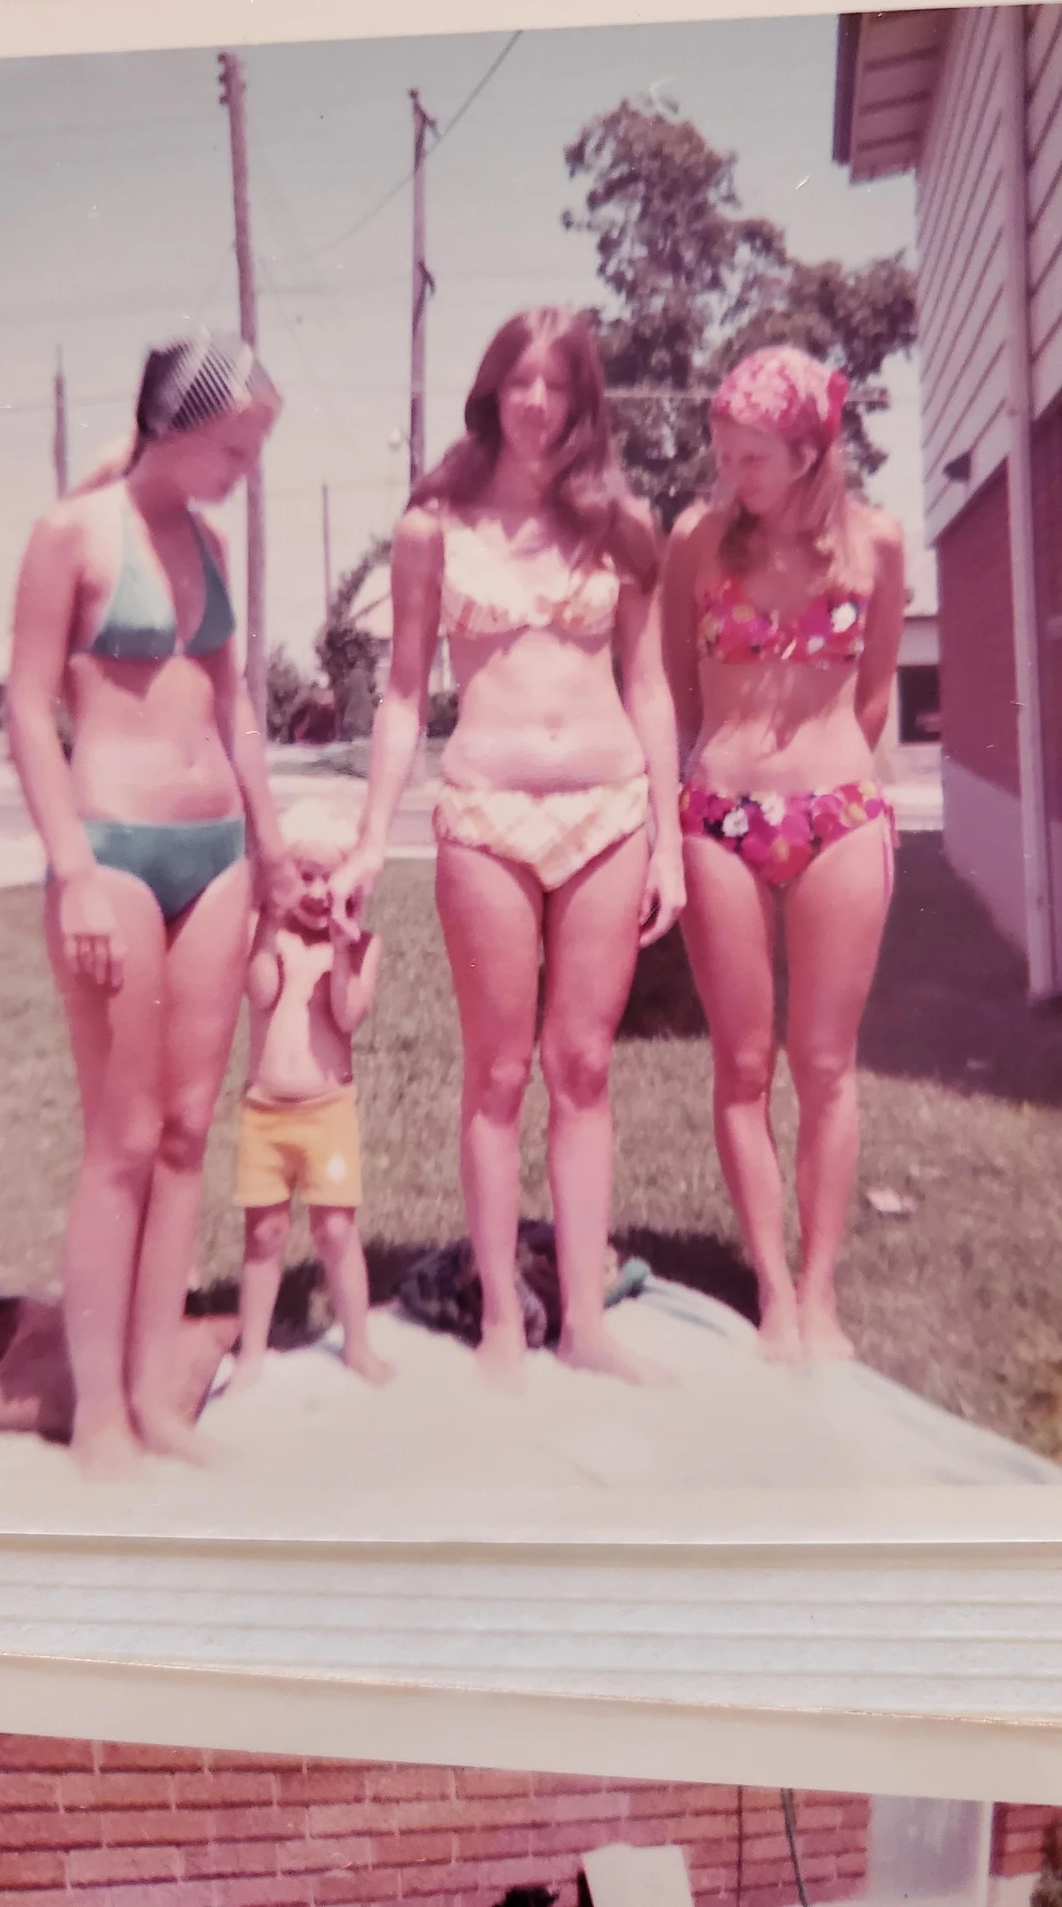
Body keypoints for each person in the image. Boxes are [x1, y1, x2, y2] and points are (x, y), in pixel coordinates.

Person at [329, 305, 685, 1389]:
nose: (537, 402)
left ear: (584, 400)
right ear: (491, 391)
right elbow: (401, 698)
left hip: (608, 812)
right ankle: (499, 1320)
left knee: (582, 1070)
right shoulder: (434, 525)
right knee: (497, 1071)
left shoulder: (623, 523)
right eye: (519, 382)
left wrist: (668, 838)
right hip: (484, 814)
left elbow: (651, 685)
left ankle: (584, 1318)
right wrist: (363, 840)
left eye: (559, 384)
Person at [6, 331, 293, 1478]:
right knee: (119, 1140)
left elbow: (239, 715)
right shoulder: (72, 536)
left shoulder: (210, 544)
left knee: (186, 1134)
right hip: (114, 852)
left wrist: (269, 846)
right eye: (235, 445)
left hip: (217, 853)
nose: (245, 468)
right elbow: (29, 708)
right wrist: (71, 865)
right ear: (176, 427)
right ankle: (100, 1421)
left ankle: (153, 1395)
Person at [661, 344, 905, 1364]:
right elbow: (675, 687)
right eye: (723, 454)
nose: (731, 476)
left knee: (827, 1063)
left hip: (841, 815)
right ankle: (770, 1285)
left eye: (752, 459)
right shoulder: (698, 541)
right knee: (743, 1065)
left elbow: (880, 689)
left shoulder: (877, 544)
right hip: (720, 814)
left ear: (809, 451)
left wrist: (863, 800)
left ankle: (821, 1291)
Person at [229, 796, 392, 1394]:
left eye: (332, 877)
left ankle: (357, 1345)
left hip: (328, 1113)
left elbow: (347, 1018)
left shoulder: (361, 945)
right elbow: (260, 993)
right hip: (265, 1114)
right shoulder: (266, 937)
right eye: (305, 876)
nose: (320, 891)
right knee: (264, 1233)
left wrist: (345, 952)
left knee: (335, 1231)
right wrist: (269, 922)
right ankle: (250, 1352)